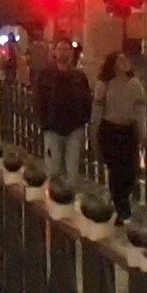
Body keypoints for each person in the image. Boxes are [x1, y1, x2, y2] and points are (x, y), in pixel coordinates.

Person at [33, 39, 91, 193]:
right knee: (53, 169)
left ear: (71, 53)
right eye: (60, 48)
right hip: (52, 127)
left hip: (74, 129)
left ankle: (69, 199)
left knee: (72, 171)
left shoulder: (79, 76)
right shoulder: (46, 75)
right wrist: (44, 122)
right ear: (55, 52)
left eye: (67, 49)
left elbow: (86, 99)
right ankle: (54, 200)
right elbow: (39, 100)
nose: (63, 52)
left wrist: (83, 119)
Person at [95, 49, 147, 212]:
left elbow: (140, 110)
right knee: (116, 170)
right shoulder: (104, 84)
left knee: (130, 171)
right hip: (110, 130)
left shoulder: (135, 84)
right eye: (120, 60)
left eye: (125, 60)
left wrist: (142, 132)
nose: (124, 63)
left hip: (128, 131)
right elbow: (97, 109)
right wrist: (94, 131)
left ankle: (121, 201)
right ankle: (121, 208)